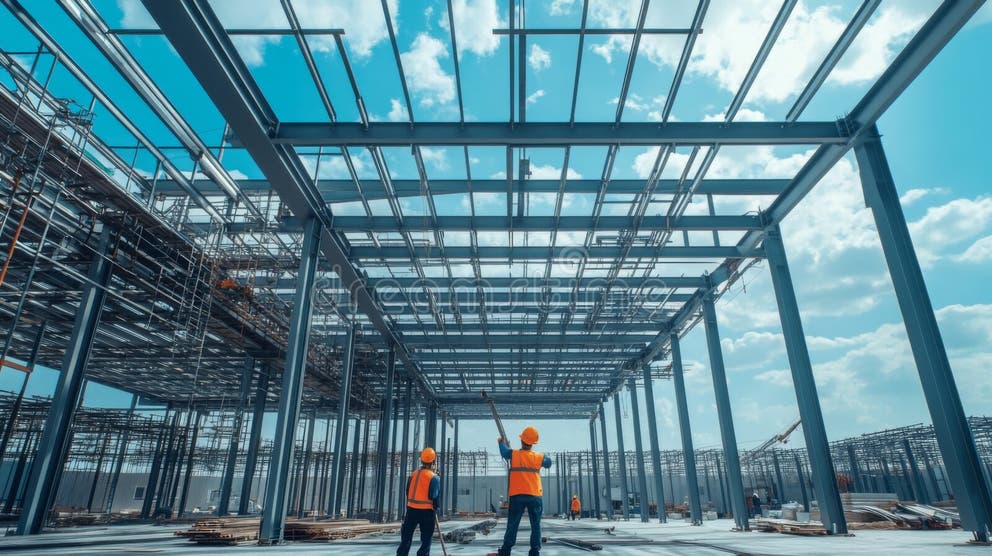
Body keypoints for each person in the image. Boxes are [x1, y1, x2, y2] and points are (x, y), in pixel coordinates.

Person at [496, 426, 553, 556]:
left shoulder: (514, 454)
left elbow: (504, 452)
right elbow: (549, 462)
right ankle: (534, 552)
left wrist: (500, 442)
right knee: (536, 525)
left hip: (517, 495)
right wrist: (543, 457)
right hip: (535, 495)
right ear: (533, 443)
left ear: (522, 440)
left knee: (513, 524)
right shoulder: (538, 457)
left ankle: (506, 551)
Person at [396, 447, 441, 556]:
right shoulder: (434, 477)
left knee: (406, 538)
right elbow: (433, 496)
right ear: (433, 462)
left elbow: (407, 492)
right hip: (427, 512)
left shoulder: (413, 474)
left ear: (421, 460)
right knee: (426, 540)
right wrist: (436, 507)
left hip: (411, 510)